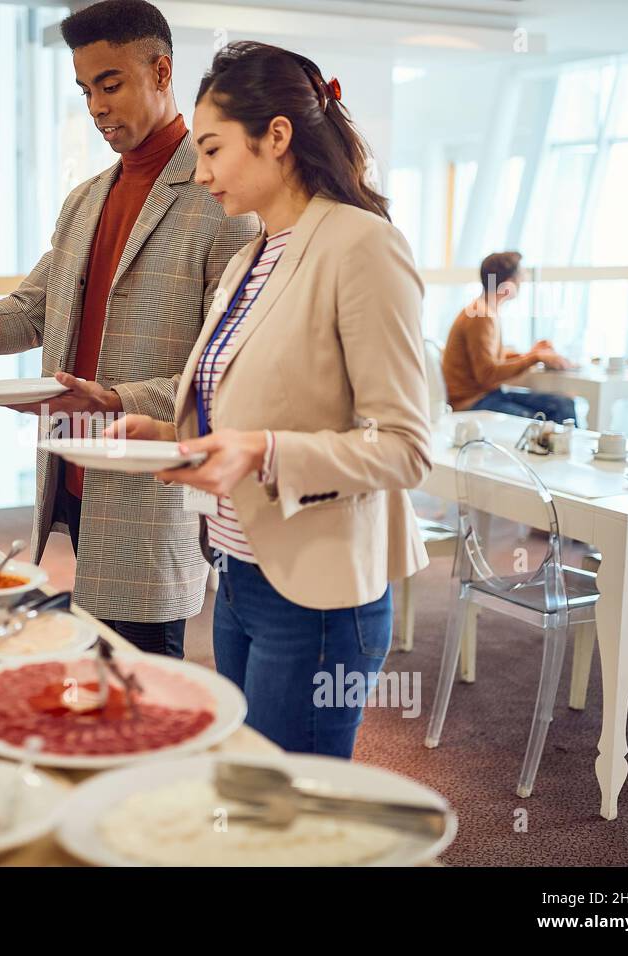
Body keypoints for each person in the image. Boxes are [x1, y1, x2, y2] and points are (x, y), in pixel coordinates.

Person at [0, 0, 259, 657]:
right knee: (90, 653)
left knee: (140, 668)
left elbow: (230, 372)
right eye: (85, 91)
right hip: (74, 470)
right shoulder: (84, 199)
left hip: (149, 482)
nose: (97, 107)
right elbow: (32, 308)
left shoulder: (223, 201)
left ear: (160, 72)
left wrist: (117, 400)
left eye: (110, 84)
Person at [107, 41, 430, 757]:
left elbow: (406, 449)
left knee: (294, 804)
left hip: (315, 596)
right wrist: (165, 433)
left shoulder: (361, 246)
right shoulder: (254, 254)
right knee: (250, 782)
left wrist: (263, 451)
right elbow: (253, 410)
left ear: (277, 136)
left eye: (215, 149)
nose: (200, 172)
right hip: (239, 573)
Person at [441, 251, 576, 422]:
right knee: (539, 420)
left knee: (563, 404)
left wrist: (530, 354)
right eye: (520, 276)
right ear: (508, 284)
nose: (523, 281)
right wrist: (534, 357)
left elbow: (491, 359)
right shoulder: (480, 316)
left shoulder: (485, 310)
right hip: (473, 401)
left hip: (488, 395)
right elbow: (487, 374)